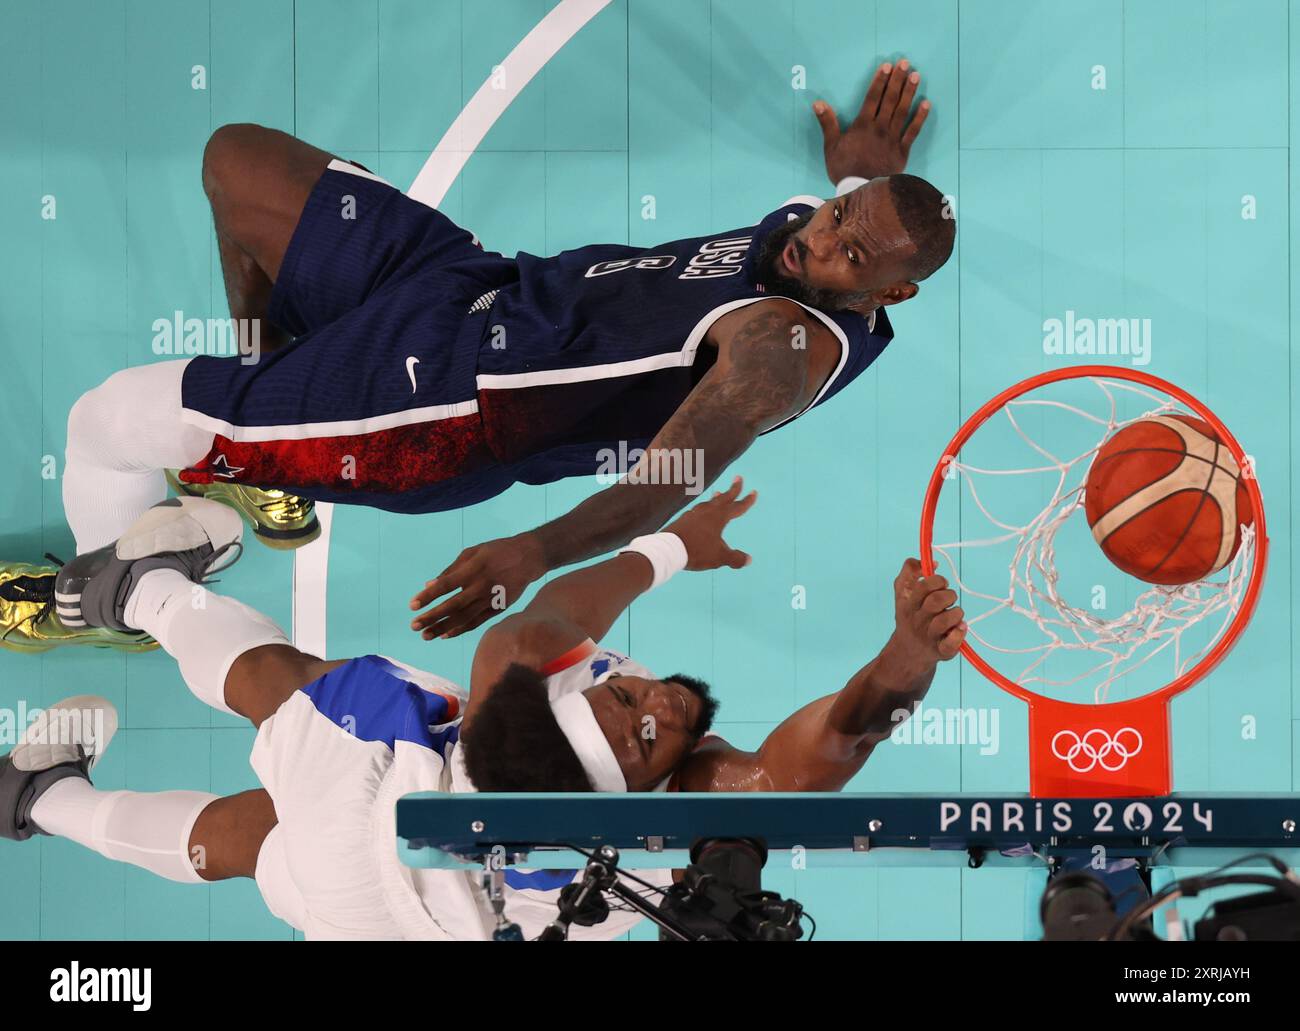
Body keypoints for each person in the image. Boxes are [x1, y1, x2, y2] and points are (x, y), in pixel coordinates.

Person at [0, 59, 953, 652]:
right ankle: (272, 423)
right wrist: (862, 175)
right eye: (834, 218)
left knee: (104, 421)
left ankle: (101, 594)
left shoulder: (781, 345)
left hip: (440, 408)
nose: (820, 242)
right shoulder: (828, 238)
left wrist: (536, 551)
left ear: (889, 294)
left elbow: (673, 475)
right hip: (474, 287)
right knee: (237, 159)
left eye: (851, 252)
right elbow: (852, 219)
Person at [0, 480, 966, 939]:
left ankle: (137, 592)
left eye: (641, 729)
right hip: (389, 925)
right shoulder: (652, 785)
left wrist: (674, 548)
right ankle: (37, 800)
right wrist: (905, 662)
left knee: (296, 683)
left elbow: (820, 754)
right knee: (250, 843)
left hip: (385, 810)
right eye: (630, 699)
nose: (658, 701)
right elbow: (823, 751)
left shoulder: (514, 666)